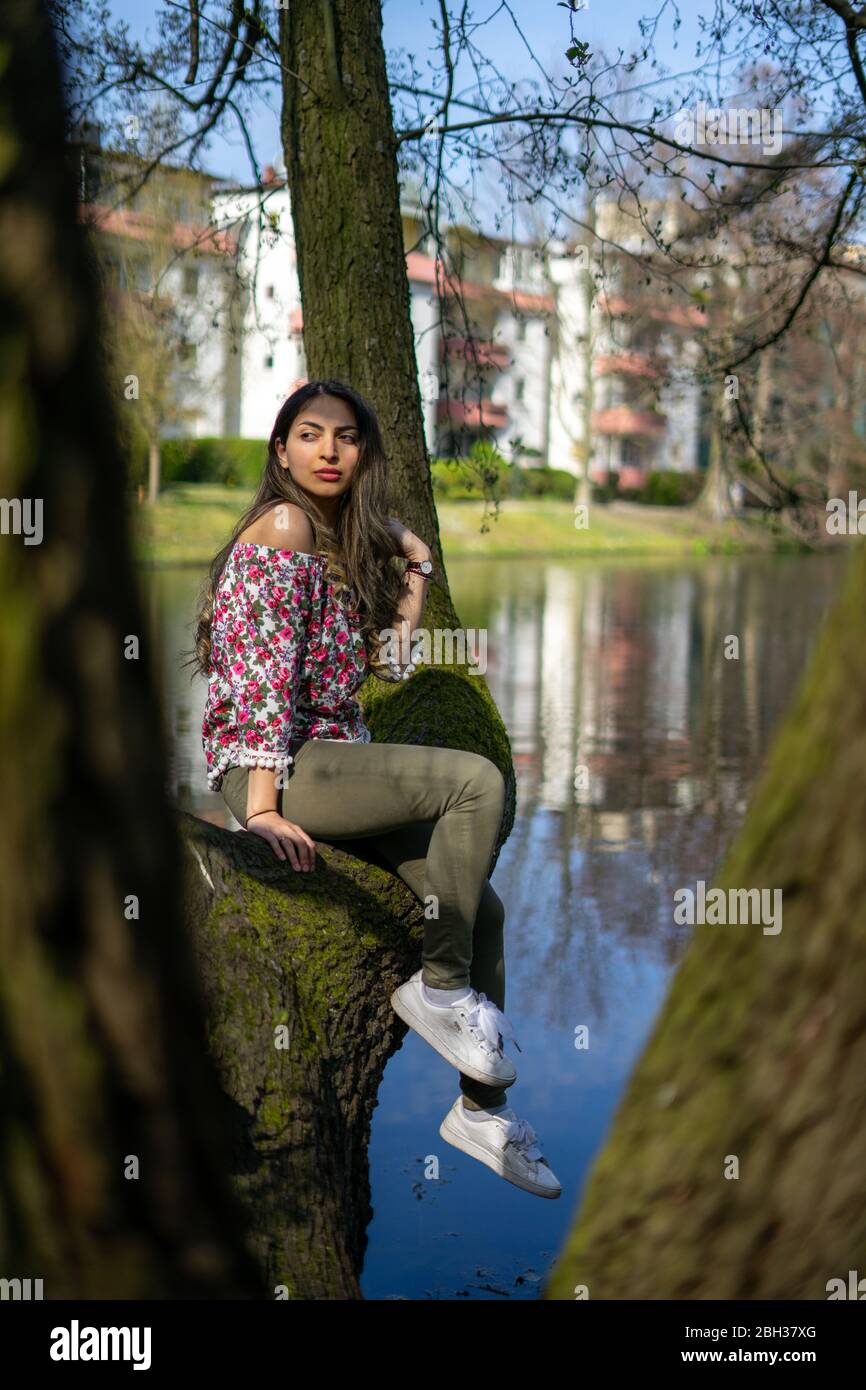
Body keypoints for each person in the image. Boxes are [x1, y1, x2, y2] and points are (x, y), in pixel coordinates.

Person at [189, 379, 561, 1199]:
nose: (328, 450)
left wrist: (416, 561)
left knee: (483, 911)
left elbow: (390, 666)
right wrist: (259, 807)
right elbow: (260, 675)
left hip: (333, 758)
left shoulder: (333, 538)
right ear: (281, 449)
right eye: (311, 435)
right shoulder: (283, 527)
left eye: (345, 437)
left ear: (363, 453)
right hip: (281, 763)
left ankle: (482, 1112)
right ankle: (440, 990)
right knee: (474, 781)